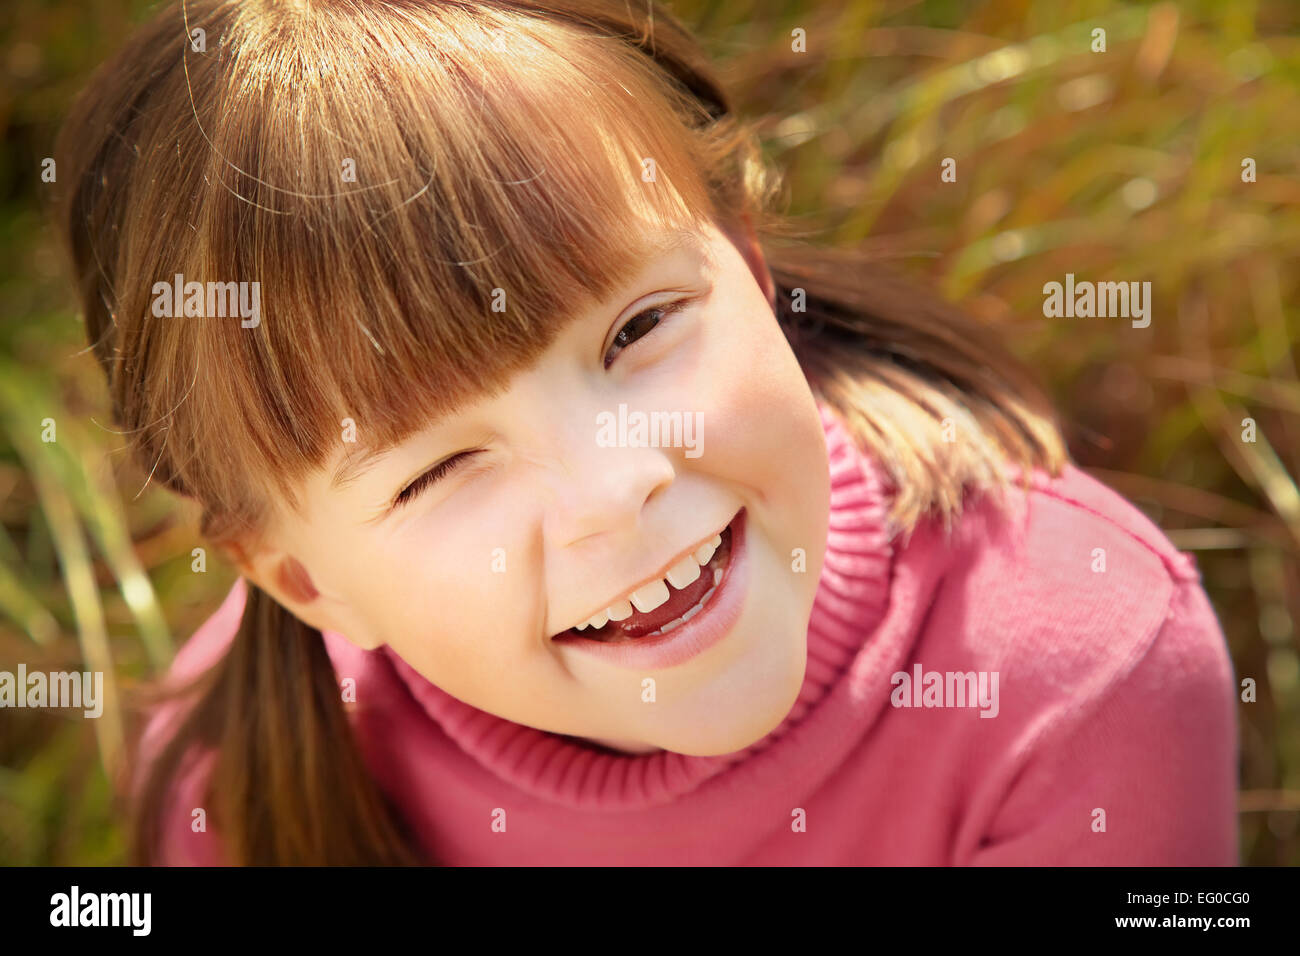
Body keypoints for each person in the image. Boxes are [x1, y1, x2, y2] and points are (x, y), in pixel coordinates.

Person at [49, 0, 1237, 865]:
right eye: (443, 465)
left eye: (639, 328)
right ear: (304, 578)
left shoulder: (1082, 667)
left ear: (750, 264)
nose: (616, 488)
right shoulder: (239, 778)